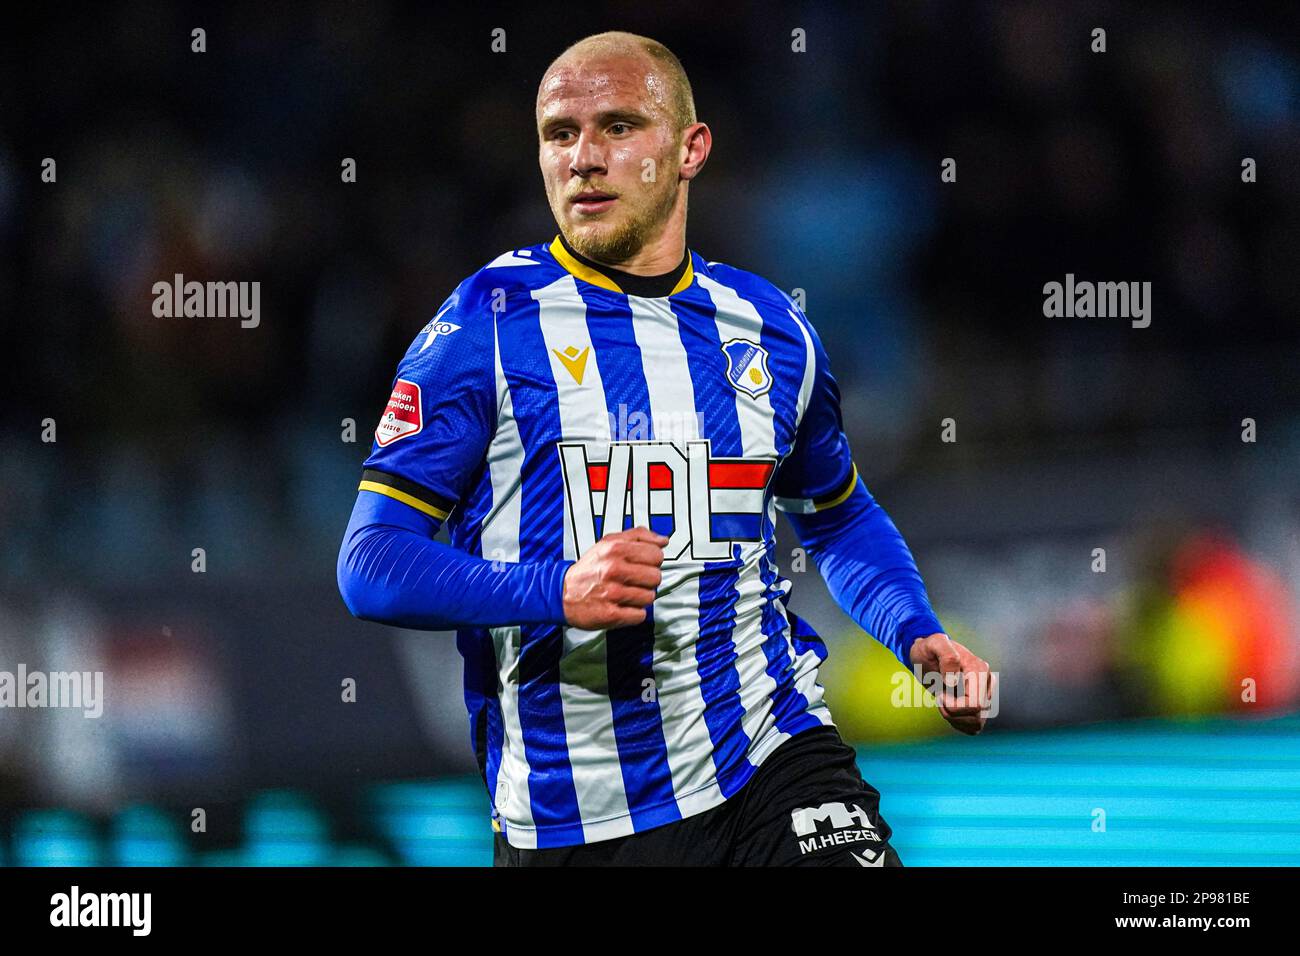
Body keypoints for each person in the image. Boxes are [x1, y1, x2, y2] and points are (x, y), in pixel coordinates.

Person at [338, 30, 992, 866]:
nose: (582, 158)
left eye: (616, 127)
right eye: (558, 133)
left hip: (769, 756)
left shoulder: (772, 331)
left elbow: (836, 512)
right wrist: (556, 588)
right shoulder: (483, 326)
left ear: (690, 150)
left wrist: (914, 631)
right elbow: (370, 561)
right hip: (574, 815)